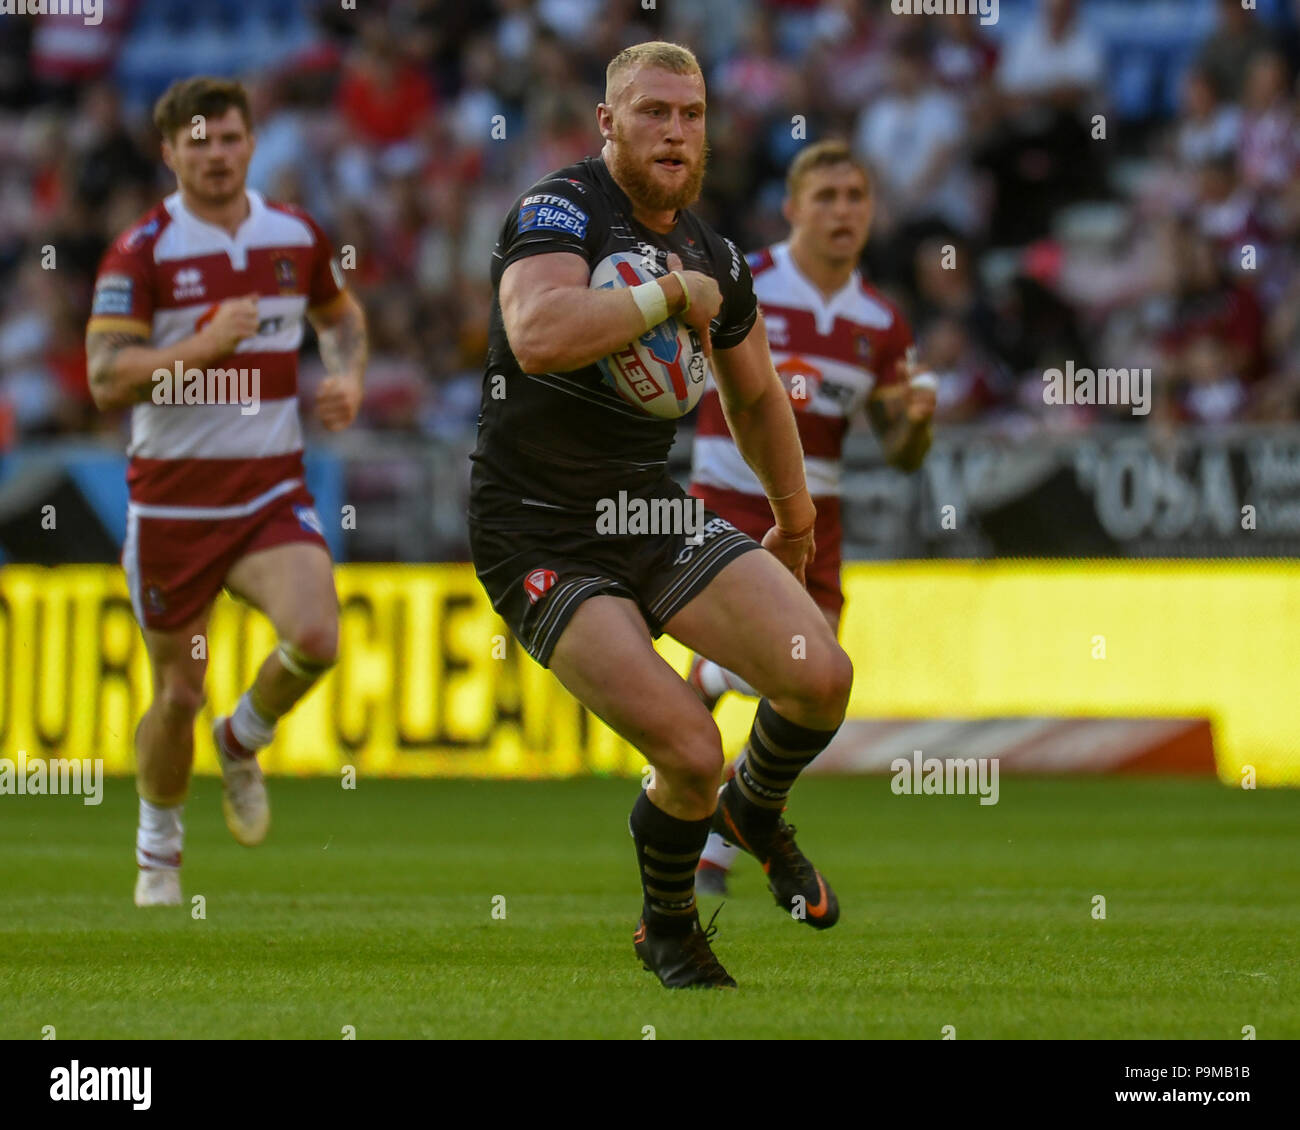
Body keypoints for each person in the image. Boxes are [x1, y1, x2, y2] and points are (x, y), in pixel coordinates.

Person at [468, 41, 851, 989]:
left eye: (690, 113)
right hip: (536, 526)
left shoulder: (713, 251)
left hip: (645, 511)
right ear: (608, 123)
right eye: (652, 112)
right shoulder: (560, 211)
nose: (675, 131)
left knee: (821, 680)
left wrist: (793, 520)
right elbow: (540, 335)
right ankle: (669, 929)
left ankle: (754, 811)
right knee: (689, 747)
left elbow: (758, 397)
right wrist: (666, 298)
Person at [84, 77, 368, 908]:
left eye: (230, 139)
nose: (216, 154)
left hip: (269, 489)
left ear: (251, 143)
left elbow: (340, 316)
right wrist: (204, 345)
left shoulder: (295, 233)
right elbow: (105, 376)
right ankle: (158, 853)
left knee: (317, 635)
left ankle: (241, 741)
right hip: (173, 504)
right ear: (168, 152)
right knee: (176, 692)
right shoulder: (141, 251)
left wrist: (346, 376)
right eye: (198, 141)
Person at [688, 139, 936, 896]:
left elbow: (900, 453)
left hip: (817, 519)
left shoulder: (881, 322)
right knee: (784, 671)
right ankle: (709, 856)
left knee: (811, 694)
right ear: (792, 208)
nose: (842, 211)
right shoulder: (743, 279)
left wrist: (918, 422)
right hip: (729, 502)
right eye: (825, 197)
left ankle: (716, 854)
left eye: (855, 197)